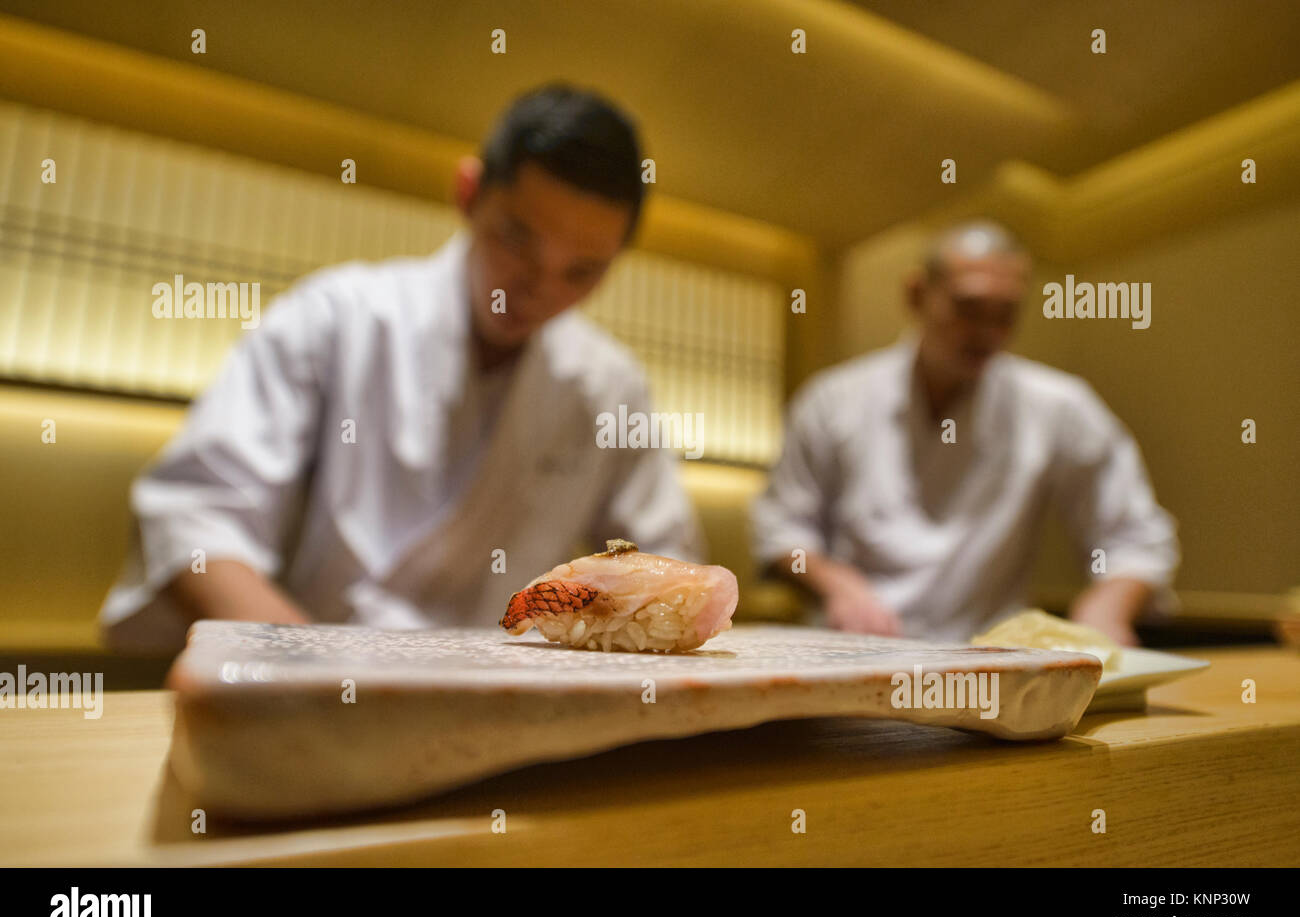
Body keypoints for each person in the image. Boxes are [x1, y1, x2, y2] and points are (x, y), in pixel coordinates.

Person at [101, 84, 703, 653]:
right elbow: (196, 520)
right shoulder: (338, 316)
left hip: (509, 697)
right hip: (311, 675)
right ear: (469, 193)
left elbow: (668, 568)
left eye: (581, 271)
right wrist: (311, 676)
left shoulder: (609, 385)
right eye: (517, 239)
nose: (538, 290)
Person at [751, 220, 1178, 646]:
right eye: (968, 309)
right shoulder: (832, 400)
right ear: (917, 295)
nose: (987, 334)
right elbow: (783, 531)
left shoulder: (1058, 406)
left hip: (991, 666)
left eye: (1006, 314)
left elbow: (1136, 538)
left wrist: (1106, 607)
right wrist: (837, 584)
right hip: (847, 655)